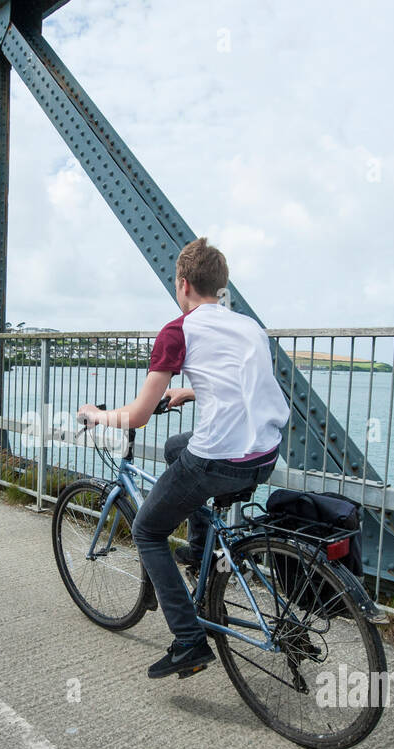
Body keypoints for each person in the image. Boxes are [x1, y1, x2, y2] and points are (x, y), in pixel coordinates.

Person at [77, 238, 290, 679]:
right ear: (221, 285)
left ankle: (189, 642)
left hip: (219, 459)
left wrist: (98, 415)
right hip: (265, 453)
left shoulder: (177, 331)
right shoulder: (250, 326)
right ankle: (200, 556)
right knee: (177, 448)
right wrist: (191, 390)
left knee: (147, 530)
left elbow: (137, 415)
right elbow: (241, 382)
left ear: (183, 284)